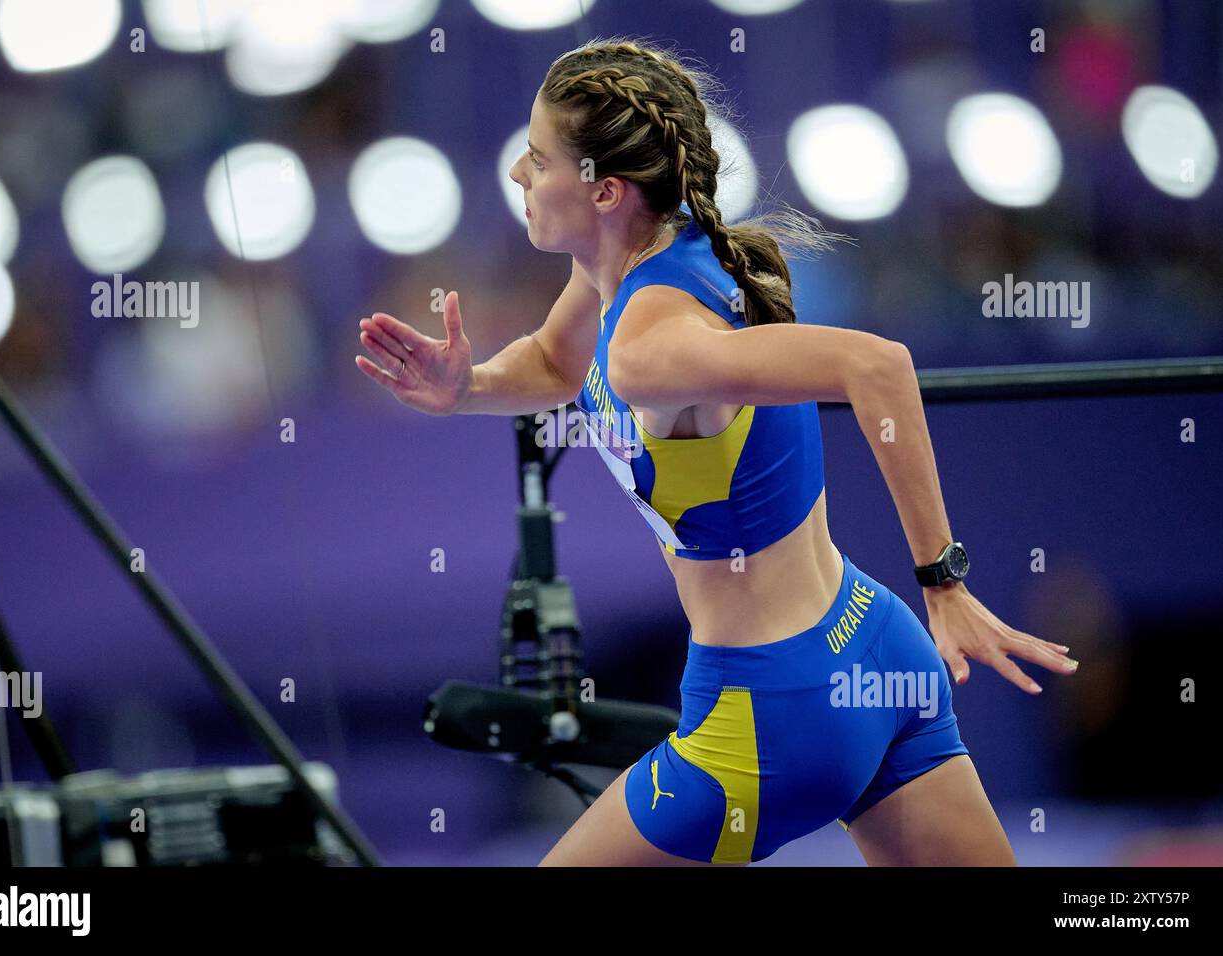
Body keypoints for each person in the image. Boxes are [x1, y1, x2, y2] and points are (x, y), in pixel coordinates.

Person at [355, 37, 1078, 866]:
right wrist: (467, 386)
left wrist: (944, 581)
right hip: (872, 645)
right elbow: (557, 361)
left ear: (605, 191)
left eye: (538, 157)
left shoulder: (648, 347)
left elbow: (878, 367)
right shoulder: (646, 256)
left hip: (772, 708)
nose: (518, 173)